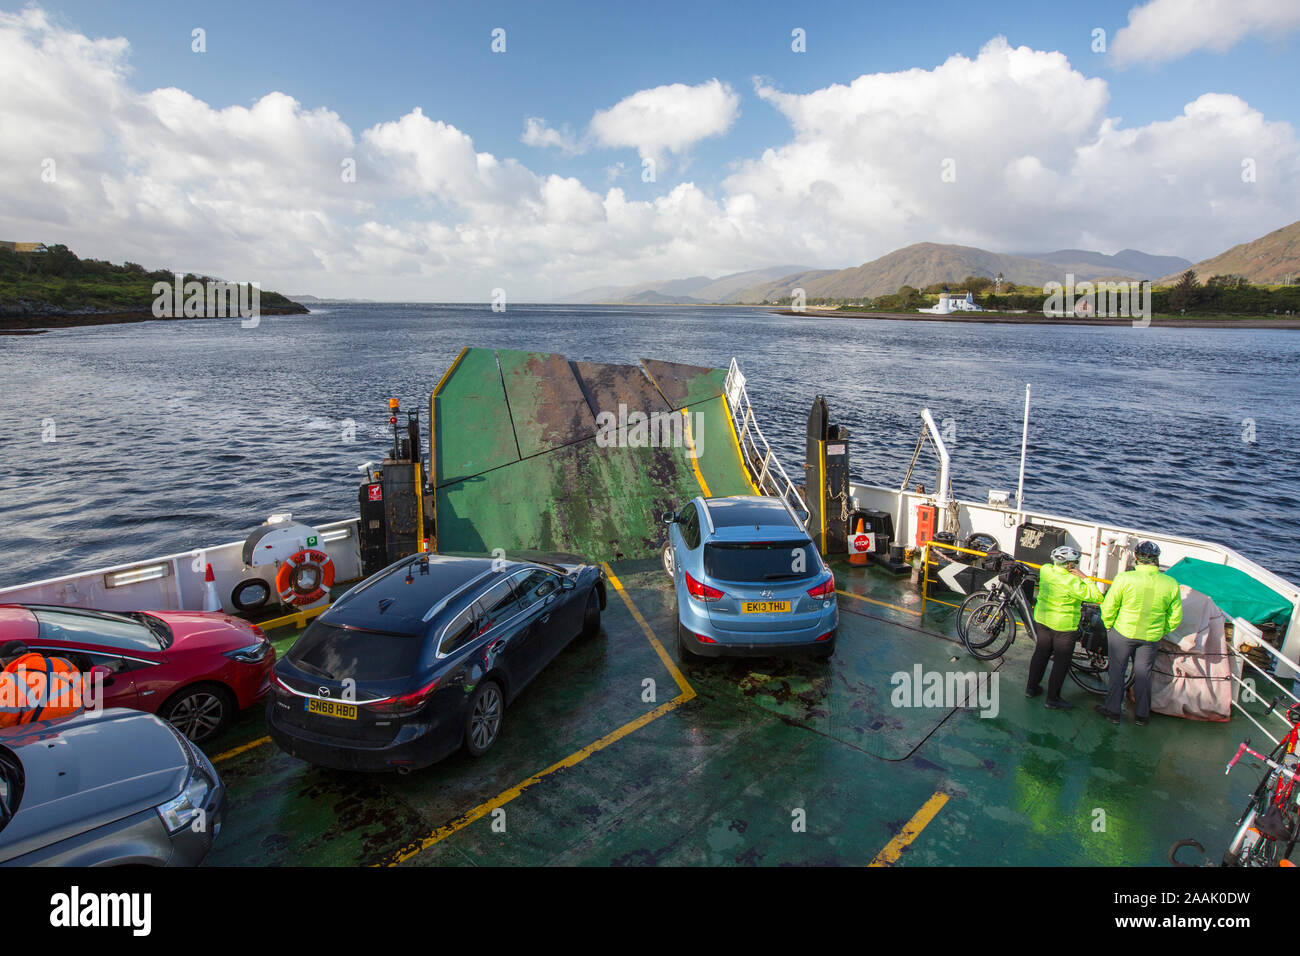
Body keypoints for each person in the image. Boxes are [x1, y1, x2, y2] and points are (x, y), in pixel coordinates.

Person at [1095, 540, 1183, 726]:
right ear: (1156, 560)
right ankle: (1142, 715)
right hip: (1151, 637)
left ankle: (1113, 712)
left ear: (1136, 558)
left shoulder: (1124, 578)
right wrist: (1161, 631)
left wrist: (1109, 625)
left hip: (1123, 632)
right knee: (1144, 674)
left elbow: (1109, 606)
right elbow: (1175, 616)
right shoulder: (1171, 583)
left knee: (1117, 672)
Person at [1026, 545, 1104, 709]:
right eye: (1074, 563)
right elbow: (1098, 596)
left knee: (1041, 654)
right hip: (1064, 626)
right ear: (1069, 565)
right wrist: (1085, 578)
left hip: (1043, 620)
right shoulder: (1073, 581)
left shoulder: (1046, 570)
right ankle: (1052, 699)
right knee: (1061, 663)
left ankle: (1031, 688)